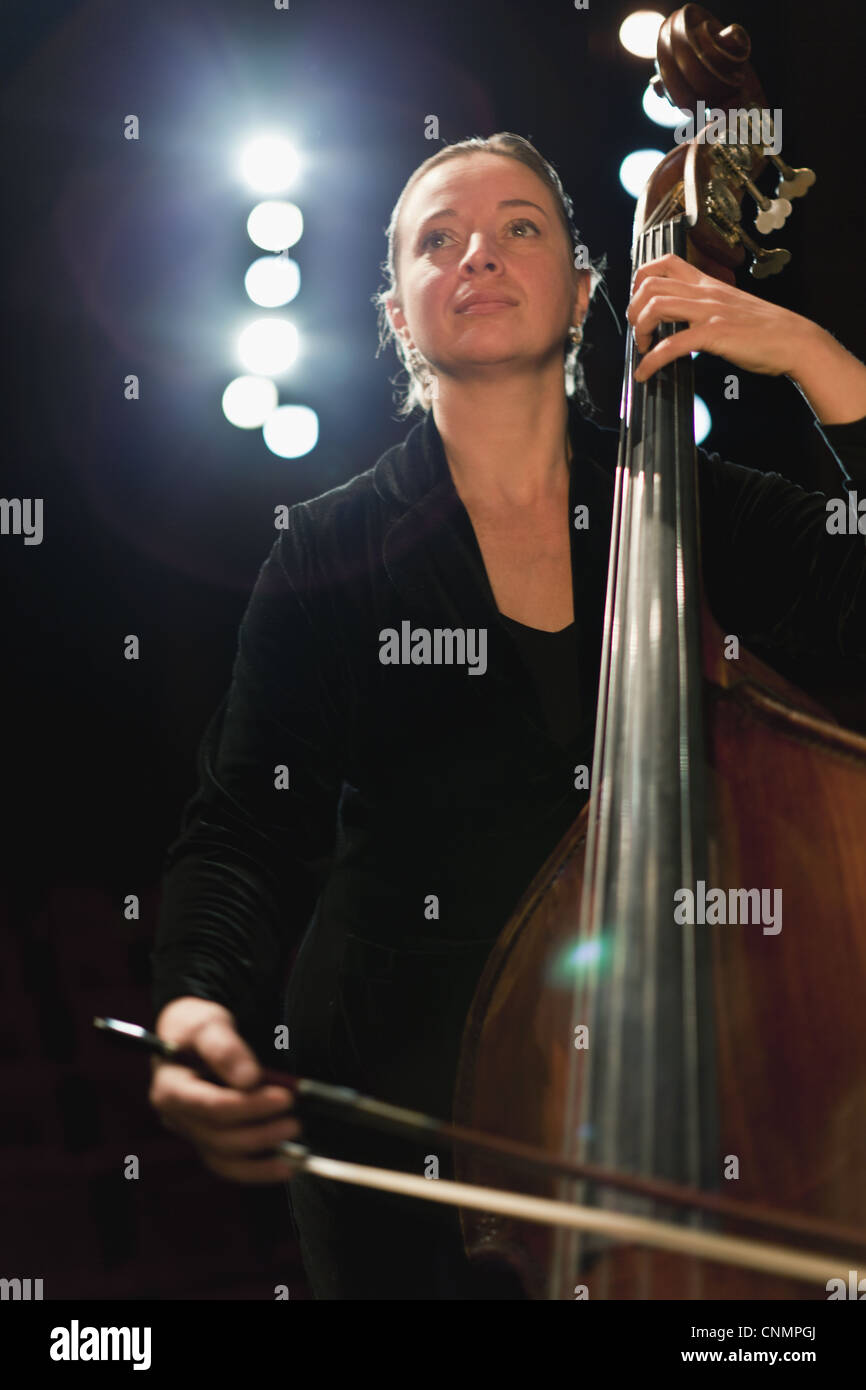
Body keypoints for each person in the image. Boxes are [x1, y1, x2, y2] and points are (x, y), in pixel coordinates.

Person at [148, 132, 866, 1300]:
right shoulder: (329, 551)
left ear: (587, 293)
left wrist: (814, 359)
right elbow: (244, 823)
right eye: (439, 240)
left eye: (519, 228)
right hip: (406, 1128)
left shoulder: (699, 516)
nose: (478, 252)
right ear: (397, 312)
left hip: (693, 1101)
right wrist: (196, 998)